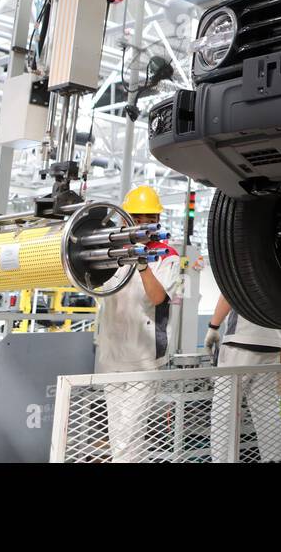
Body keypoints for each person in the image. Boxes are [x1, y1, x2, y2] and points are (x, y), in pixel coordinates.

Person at [95, 184, 181, 462]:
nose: (144, 222)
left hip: (144, 359)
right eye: (137, 216)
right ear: (124, 218)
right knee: (120, 433)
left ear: (158, 220)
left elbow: (157, 298)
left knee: (128, 436)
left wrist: (142, 264)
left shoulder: (167, 255)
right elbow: (92, 287)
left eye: (149, 217)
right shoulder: (110, 254)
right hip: (112, 356)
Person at [207, 295, 281, 462]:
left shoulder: (243, 267)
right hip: (272, 341)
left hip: (240, 339)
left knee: (224, 410)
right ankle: (274, 459)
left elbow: (228, 293)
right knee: (267, 409)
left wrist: (213, 326)